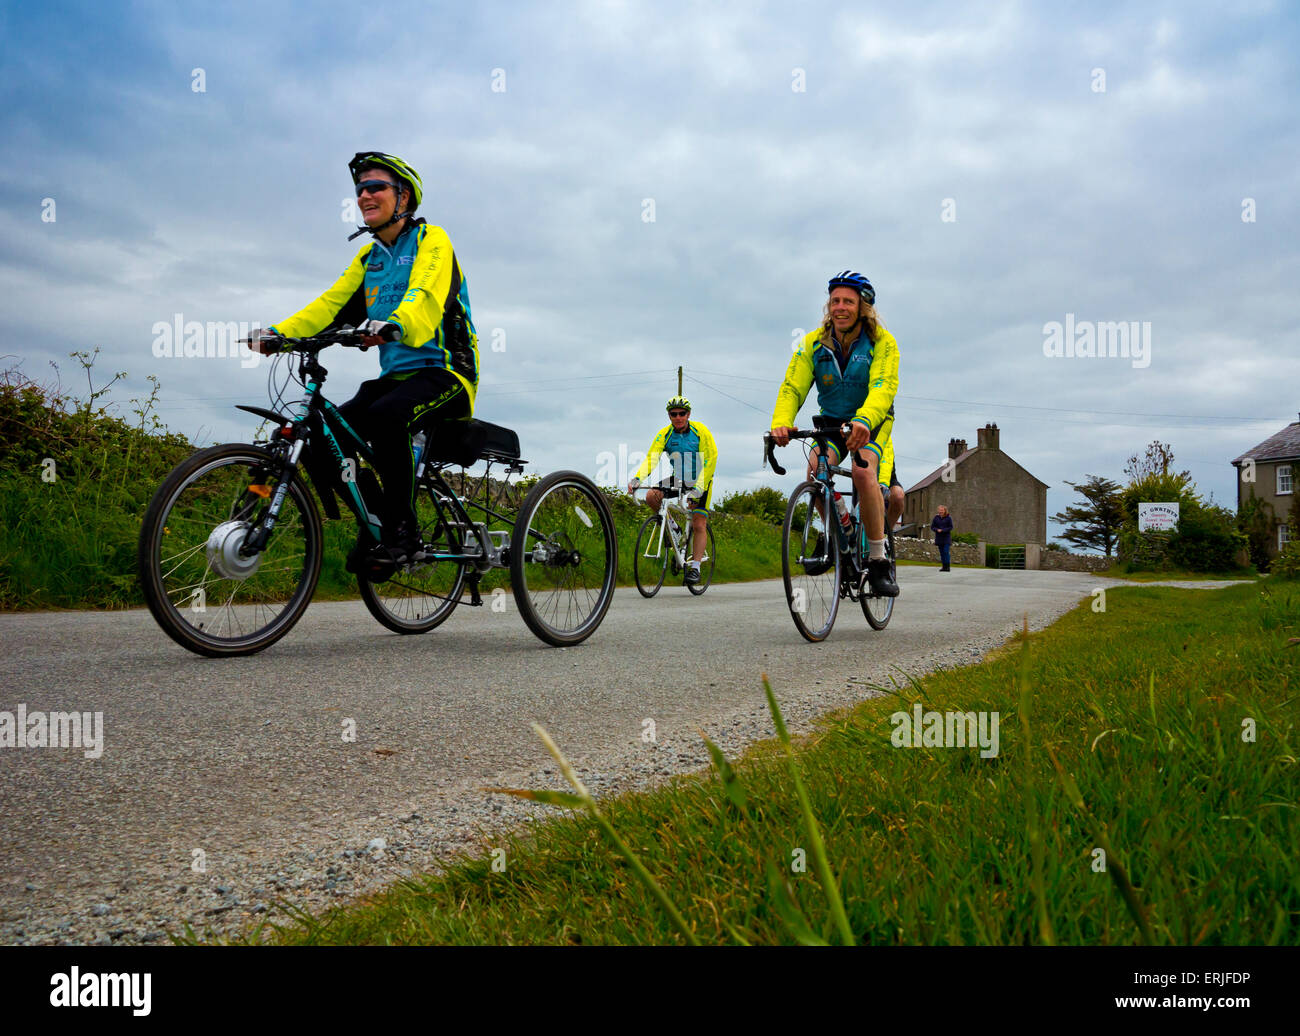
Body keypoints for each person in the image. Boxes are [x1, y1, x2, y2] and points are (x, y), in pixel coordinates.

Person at [253, 152, 480, 567]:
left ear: (403, 196)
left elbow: (425, 295)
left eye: (375, 187)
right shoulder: (368, 257)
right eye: (360, 189)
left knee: (387, 417)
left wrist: (394, 325)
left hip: (447, 374)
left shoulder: (433, 241)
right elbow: (329, 306)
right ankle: (378, 522)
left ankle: (403, 530)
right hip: (395, 378)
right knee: (323, 438)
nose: (364, 196)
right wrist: (279, 333)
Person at [771, 271, 900, 596]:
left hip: (872, 422)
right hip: (831, 423)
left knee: (863, 472)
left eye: (848, 301)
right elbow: (793, 386)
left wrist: (865, 421)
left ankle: (878, 559)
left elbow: (883, 387)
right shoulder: (812, 343)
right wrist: (782, 421)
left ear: (863, 306)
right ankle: (835, 529)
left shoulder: (882, 343)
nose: (839, 307)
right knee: (816, 470)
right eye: (834, 301)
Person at [627, 396, 718, 586]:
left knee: (699, 523)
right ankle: (672, 532)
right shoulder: (665, 434)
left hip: (701, 479)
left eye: (682, 413)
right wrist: (637, 478)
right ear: (669, 415)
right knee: (652, 496)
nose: (678, 417)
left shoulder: (700, 431)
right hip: (679, 478)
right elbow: (652, 458)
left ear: (688, 414)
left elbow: (710, 460)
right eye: (673, 414)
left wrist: (699, 489)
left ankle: (695, 568)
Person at [931, 505, 954, 571]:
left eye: (942, 510)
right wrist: (937, 529)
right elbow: (932, 527)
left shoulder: (948, 518)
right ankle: (944, 567)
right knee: (941, 553)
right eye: (940, 510)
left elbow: (951, 527)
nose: (941, 511)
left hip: (946, 538)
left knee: (946, 551)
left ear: (945, 511)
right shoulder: (936, 517)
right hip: (939, 538)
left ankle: (948, 567)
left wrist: (943, 530)